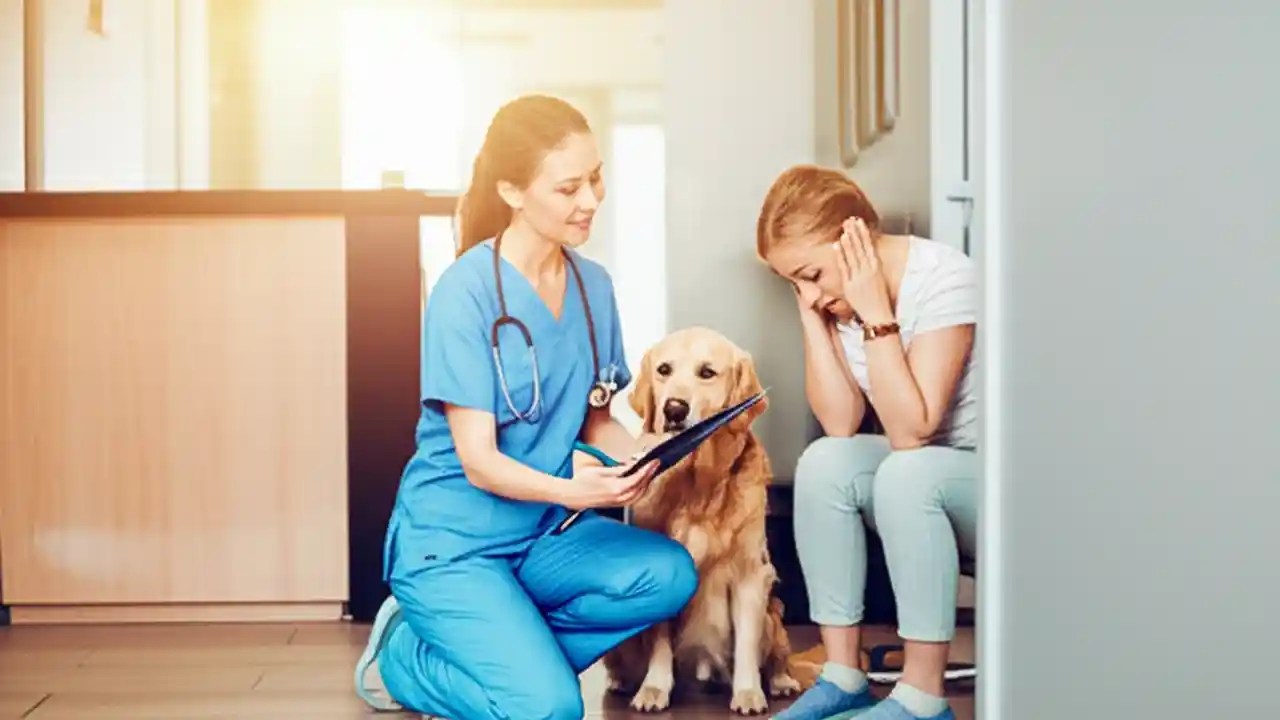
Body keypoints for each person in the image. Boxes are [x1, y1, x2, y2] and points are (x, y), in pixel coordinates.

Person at [354, 94, 698, 720]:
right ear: (512, 190)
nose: (591, 200)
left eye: (595, 179)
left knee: (670, 575)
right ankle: (408, 659)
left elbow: (595, 416)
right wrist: (577, 493)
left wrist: (641, 458)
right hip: (455, 542)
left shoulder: (594, 288)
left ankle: (511, 657)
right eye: (568, 188)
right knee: (551, 711)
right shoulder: (466, 292)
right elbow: (480, 463)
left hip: (541, 535)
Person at [756, 165, 977, 720]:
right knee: (825, 462)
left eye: (811, 275)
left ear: (855, 241)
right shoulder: (835, 301)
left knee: (907, 469)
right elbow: (840, 422)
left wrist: (877, 313)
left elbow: (911, 429)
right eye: (793, 283)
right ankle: (843, 676)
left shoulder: (944, 276)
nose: (809, 293)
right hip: (929, 473)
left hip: (994, 480)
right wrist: (814, 318)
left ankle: (923, 698)